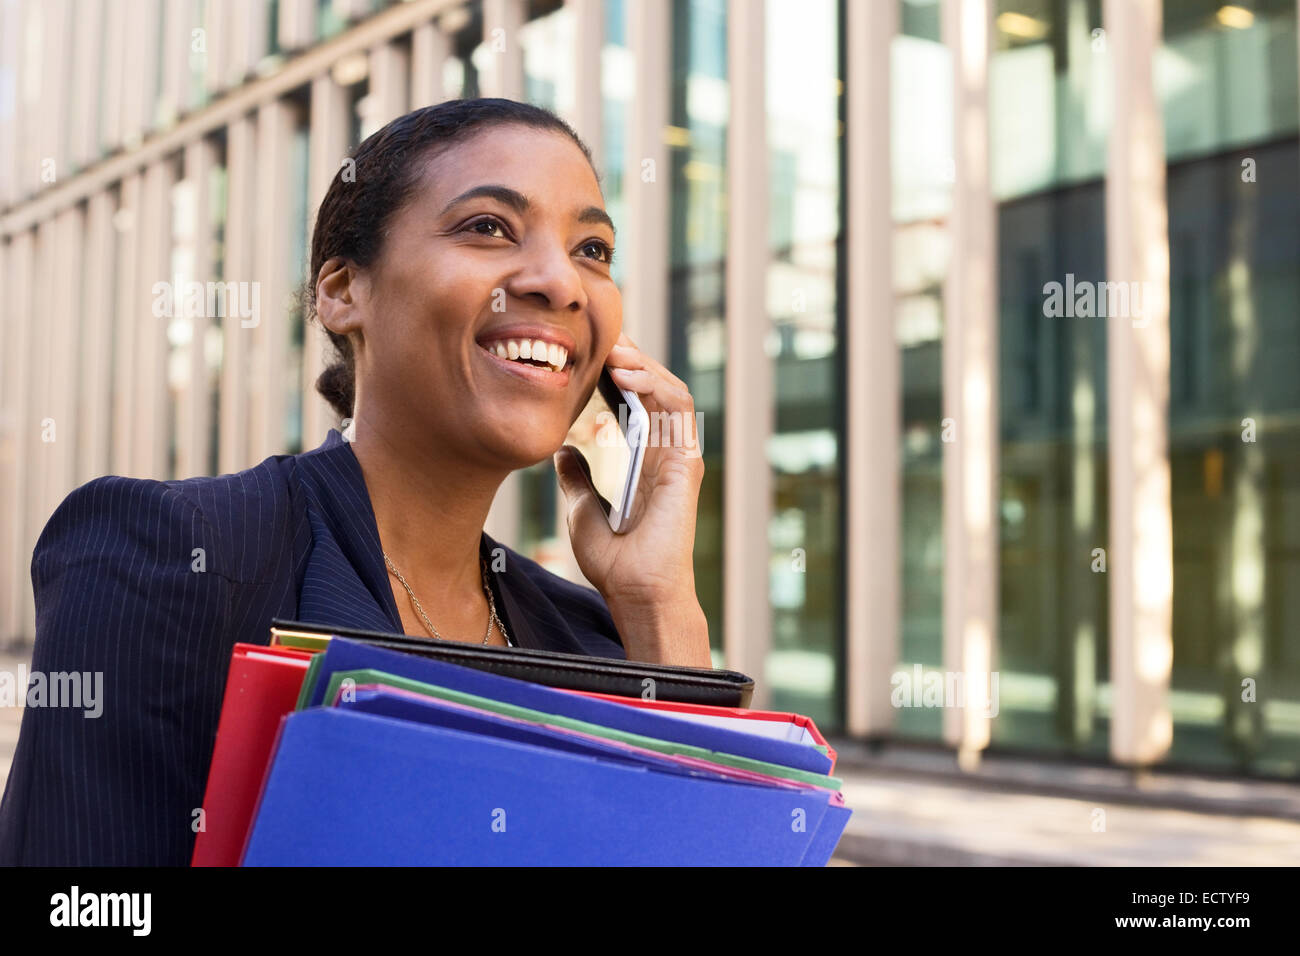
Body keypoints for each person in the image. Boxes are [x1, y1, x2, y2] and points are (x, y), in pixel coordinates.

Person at [0, 97, 710, 866]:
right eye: (489, 227)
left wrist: (655, 598)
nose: (560, 283)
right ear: (342, 292)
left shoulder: (593, 635)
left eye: (593, 249)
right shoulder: (172, 553)